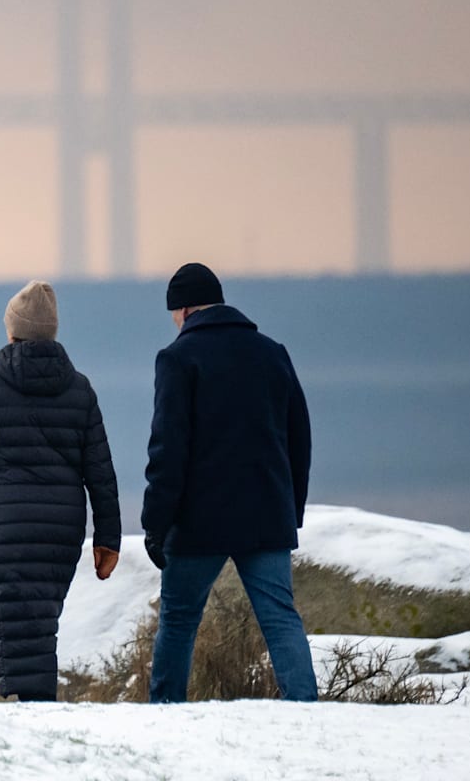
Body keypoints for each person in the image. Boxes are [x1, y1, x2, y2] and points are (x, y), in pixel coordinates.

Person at [0, 280, 122, 702]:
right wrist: (107, 538)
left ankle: (26, 705)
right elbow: (101, 471)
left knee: (13, 619)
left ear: (12, 331)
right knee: (39, 621)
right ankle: (28, 701)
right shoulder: (80, 389)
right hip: (61, 528)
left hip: (7, 525)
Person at [141, 262, 318, 703]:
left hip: (199, 523)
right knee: (280, 618)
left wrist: (155, 524)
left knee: (179, 621)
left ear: (184, 310)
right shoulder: (272, 352)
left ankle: (164, 711)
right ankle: (306, 708)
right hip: (266, 515)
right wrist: (290, 510)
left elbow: (168, 449)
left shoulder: (178, 359)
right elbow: (299, 438)